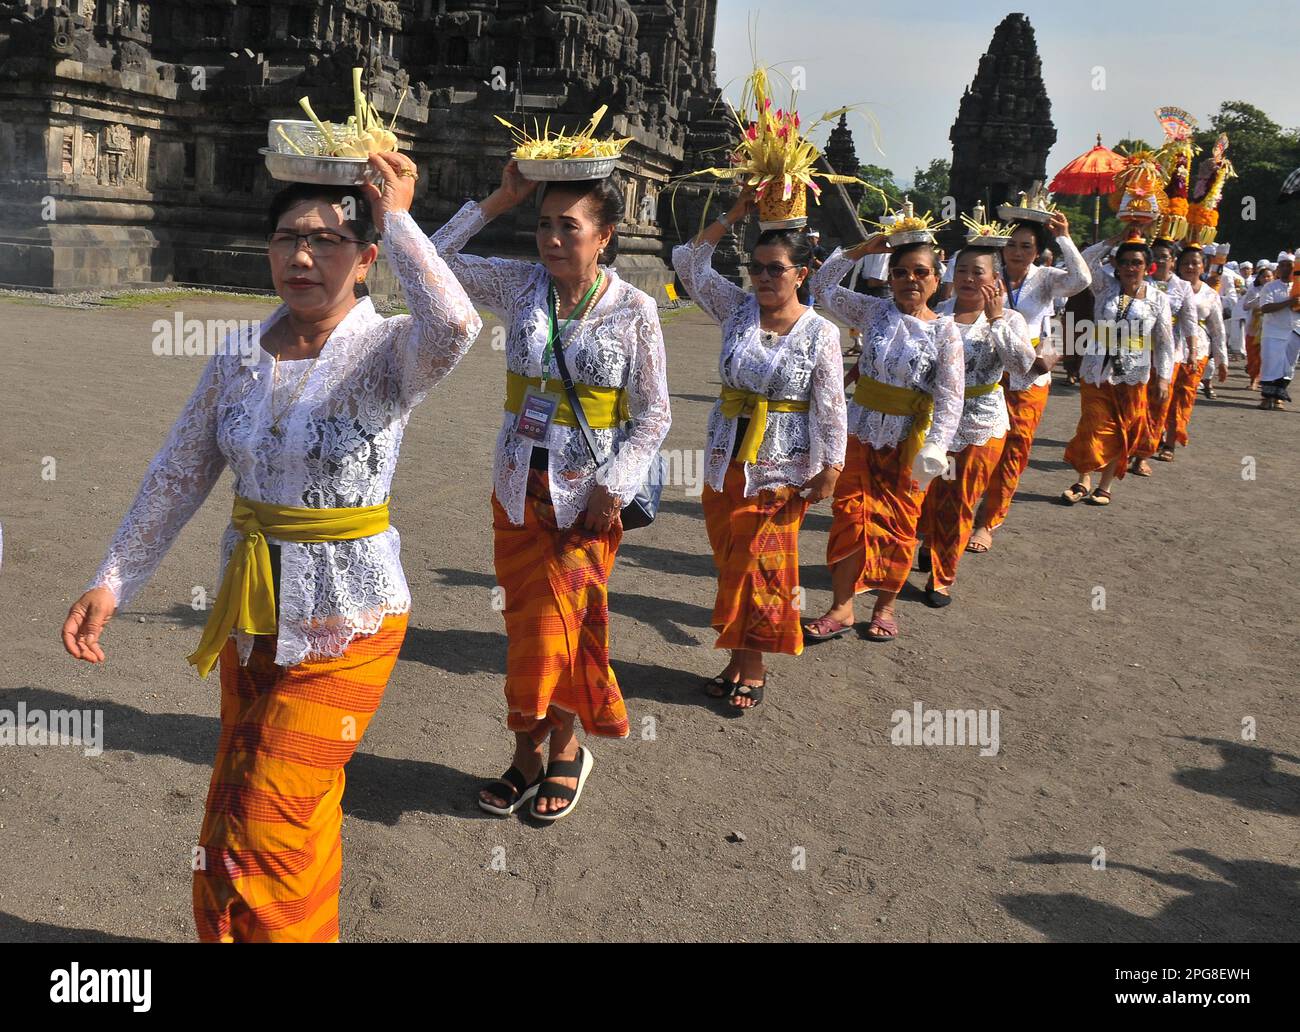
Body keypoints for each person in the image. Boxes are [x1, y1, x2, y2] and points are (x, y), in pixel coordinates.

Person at [62, 154, 483, 941]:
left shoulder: (391, 353)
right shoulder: (237, 355)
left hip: (349, 619)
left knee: (269, 817)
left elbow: (457, 325)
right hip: (251, 613)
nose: (301, 256)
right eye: (287, 237)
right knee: (246, 799)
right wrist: (112, 580)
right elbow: (180, 471)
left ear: (364, 259)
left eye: (328, 241)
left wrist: (394, 215)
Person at [432, 160, 671, 819]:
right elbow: (424, 260)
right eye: (542, 224)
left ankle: (562, 751)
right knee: (524, 630)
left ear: (605, 236)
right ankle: (527, 755)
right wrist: (500, 197)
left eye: (569, 226)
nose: (551, 238)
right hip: (516, 489)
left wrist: (616, 485)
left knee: (565, 630)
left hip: (588, 501)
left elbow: (654, 415)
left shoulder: (635, 310)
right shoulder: (519, 288)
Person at [671, 186, 846, 710]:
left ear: (802, 273)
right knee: (731, 564)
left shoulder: (821, 333)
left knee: (764, 570)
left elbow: (831, 406)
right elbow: (687, 263)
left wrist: (832, 466)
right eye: (757, 267)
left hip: (782, 467)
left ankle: (754, 665)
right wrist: (737, 213)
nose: (764, 277)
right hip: (726, 457)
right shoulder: (737, 309)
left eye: (776, 269)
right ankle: (735, 657)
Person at [801, 232, 963, 643]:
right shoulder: (873, 312)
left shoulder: (945, 332)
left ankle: (885, 607)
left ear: (936, 278)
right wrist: (858, 252)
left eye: (921, 272)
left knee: (899, 525)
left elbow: (950, 396)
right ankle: (841, 606)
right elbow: (819, 287)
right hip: (859, 431)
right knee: (850, 517)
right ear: (889, 278)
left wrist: (936, 447)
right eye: (901, 272)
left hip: (910, 440)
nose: (911, 279)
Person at [967, 213, 1090, 554]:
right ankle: (959, 511)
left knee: (1014, 451)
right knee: (976, 445)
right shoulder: (990, 274)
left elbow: (1081, 279)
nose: (1017, 252)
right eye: (1011, 245)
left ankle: (987, 522)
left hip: (1030, 373)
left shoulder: (1047, 278)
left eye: (1026, 246)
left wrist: (1064, 237)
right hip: (987, 369)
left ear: (1037, 251)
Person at [920, 246, 1035, 605]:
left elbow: (1022, 368)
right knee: (931, 492)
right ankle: (930, 541)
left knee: (960, 496)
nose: (970, 279)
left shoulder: (1010, 320)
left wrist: (997, 319)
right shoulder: (935, 314)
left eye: (979, 272)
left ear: (994, 279)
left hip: (979, 421)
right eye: (963, 270)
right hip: (934, 420)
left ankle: (942, 575)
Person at [1061, 234, 1174, 506]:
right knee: (1092, 425)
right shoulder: (1104, 287)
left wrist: (1164, 379)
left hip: (1133, 373)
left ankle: (1105, 486)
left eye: (1136, 262)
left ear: (1148, 266)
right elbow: (1084, 260)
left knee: (1122, 429)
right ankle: (1082, 480)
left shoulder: (1158, 299)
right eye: (1123, 262)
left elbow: (1164, 342)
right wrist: (1113, 240)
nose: (1129, 268)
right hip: (1096, 368)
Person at [1129, 238, 1194, 476]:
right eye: (1154, 256)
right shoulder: (1138, 283)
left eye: (1164, 256)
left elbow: (1189, 321)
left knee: (1158, 406)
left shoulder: (1182, 287)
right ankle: (1126, 448)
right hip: (1138, 352)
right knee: (1135, 403)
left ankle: (1142, 455)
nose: (1159, 260)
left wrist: (1193, 351)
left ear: (1173, 261)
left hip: (1168, 354)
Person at [1158, 245, 1227, 458]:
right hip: (1168, 349)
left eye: (1195, 263)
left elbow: (1217, 328)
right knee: (1162, 396)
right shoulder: (1167, 287)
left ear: (1203, 266)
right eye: (1185, 262)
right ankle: (1154, 436)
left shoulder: (1210, 294)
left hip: (1197, 354)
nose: (1190, 266)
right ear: (1177, 264)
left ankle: (1170, 443)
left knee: (1183, 398)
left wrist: (1222, 359)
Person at [1247, 252, 1300, 410]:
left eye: (1289, 266)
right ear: (1277, 268)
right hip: (1273, 333)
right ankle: (1266, 397)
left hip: (1294, 332)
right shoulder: (1270, 287)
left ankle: (1278, 398)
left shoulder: (1297, 287)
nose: (1285, 269)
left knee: (1288, 366)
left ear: (1294, 268)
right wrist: (1289, 302)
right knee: (1270, 365)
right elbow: (1265, 308)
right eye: (1282, 266)